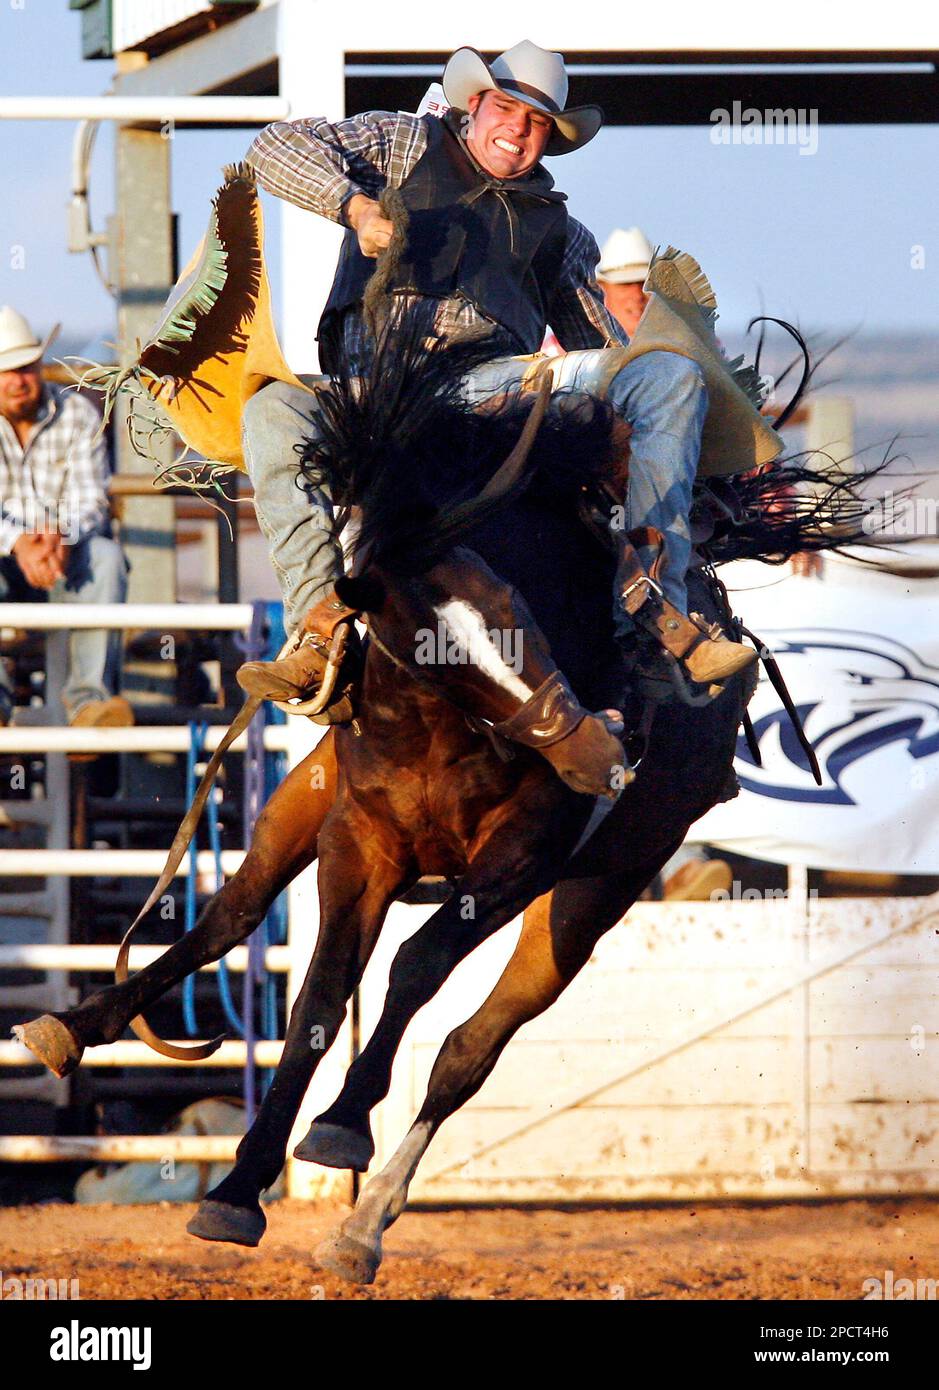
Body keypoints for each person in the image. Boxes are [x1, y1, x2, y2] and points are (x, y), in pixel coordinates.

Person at [234, 41, 759, 711]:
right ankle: (318, 632)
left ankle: (654, 611)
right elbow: (271, 148)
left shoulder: (560, 233)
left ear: (550, 137)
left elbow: (599, 348)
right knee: (272, 413)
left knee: (661, 377)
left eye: (536, 121)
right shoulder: (399, 145)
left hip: (493, 389)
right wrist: (356, 208)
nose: (516, 129)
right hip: (370, 394)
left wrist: (680, 416)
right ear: (474, 104)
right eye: (505, 108)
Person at [0, 307, 132, 729]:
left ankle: (88, 705)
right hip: (10, 563)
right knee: (107, 557)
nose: (18, 380)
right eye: (7, 371)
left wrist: (61, 536)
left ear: (39, 366)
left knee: (105, 559)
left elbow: (91, 501)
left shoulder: (76, 413)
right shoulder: (78, 414)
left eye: (25, 367)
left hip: (64, 560)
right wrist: (19, 543)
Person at [597, 226, 653, 338]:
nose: (637, 295)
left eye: (645, 283)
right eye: (625, 284)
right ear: (601, 290)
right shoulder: (561, 351)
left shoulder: (689, 349)